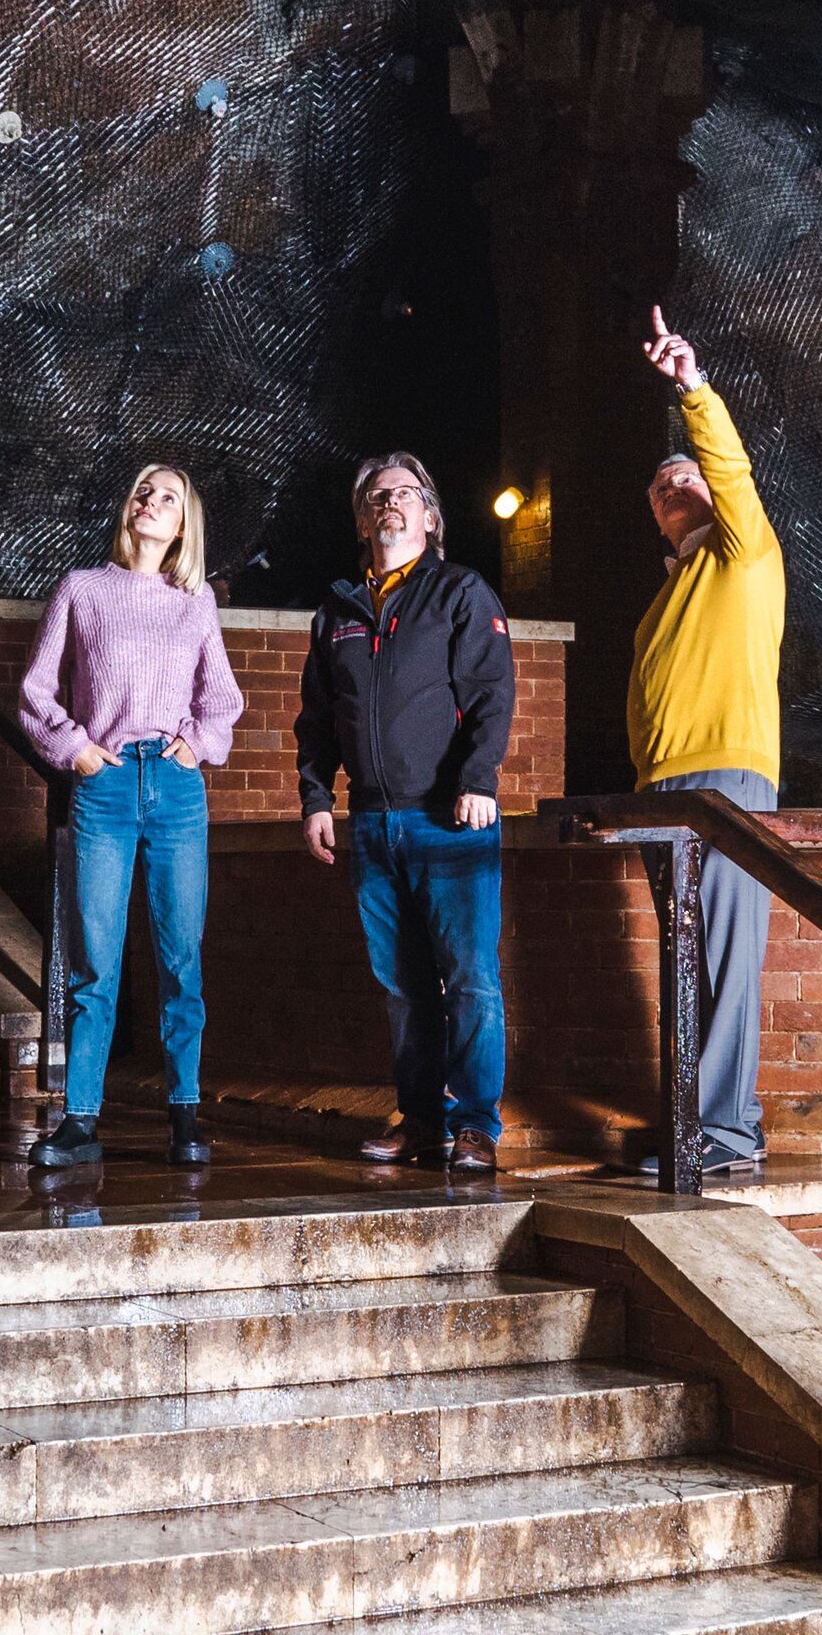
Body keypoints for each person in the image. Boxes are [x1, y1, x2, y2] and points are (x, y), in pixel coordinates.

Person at [16, 465, 245, 1169]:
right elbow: (34, 687)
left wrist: (198, 747)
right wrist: (74, 748)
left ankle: (184, 1115)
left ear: (184, 525)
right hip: (105, 789)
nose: (151, 502)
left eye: (168, 497)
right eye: (144, 490)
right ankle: (80, 1121)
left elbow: (223, 699)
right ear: (129, 508)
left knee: (181, 959)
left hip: (175, 790)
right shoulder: (81, 590)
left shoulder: (195, 601)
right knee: (95, 962)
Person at [296, 451, 517, 1175]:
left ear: (430, 515)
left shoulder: (460, 592)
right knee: (403, 988)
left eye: (404, 494)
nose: (389, 503)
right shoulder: (338, 612)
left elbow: (490, 692)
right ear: (362, 520)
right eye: (375, 497)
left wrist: (479, 779)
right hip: (372, 825)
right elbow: (317, 719)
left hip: (450, 822)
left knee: (472, 977)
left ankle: (476, 1126)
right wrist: (317, 797)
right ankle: (423, 1121)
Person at [629, 307, 786, 1176]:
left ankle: (728, 1134)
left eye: (682, 475)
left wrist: (691, 389)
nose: (671, 484)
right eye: (657, 485)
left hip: (729, 778)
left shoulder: (744, 557)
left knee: (727, 955)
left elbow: (729, 465)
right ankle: (696, 1126)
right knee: (685, 961)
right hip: (667, 786)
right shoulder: (662, 601)